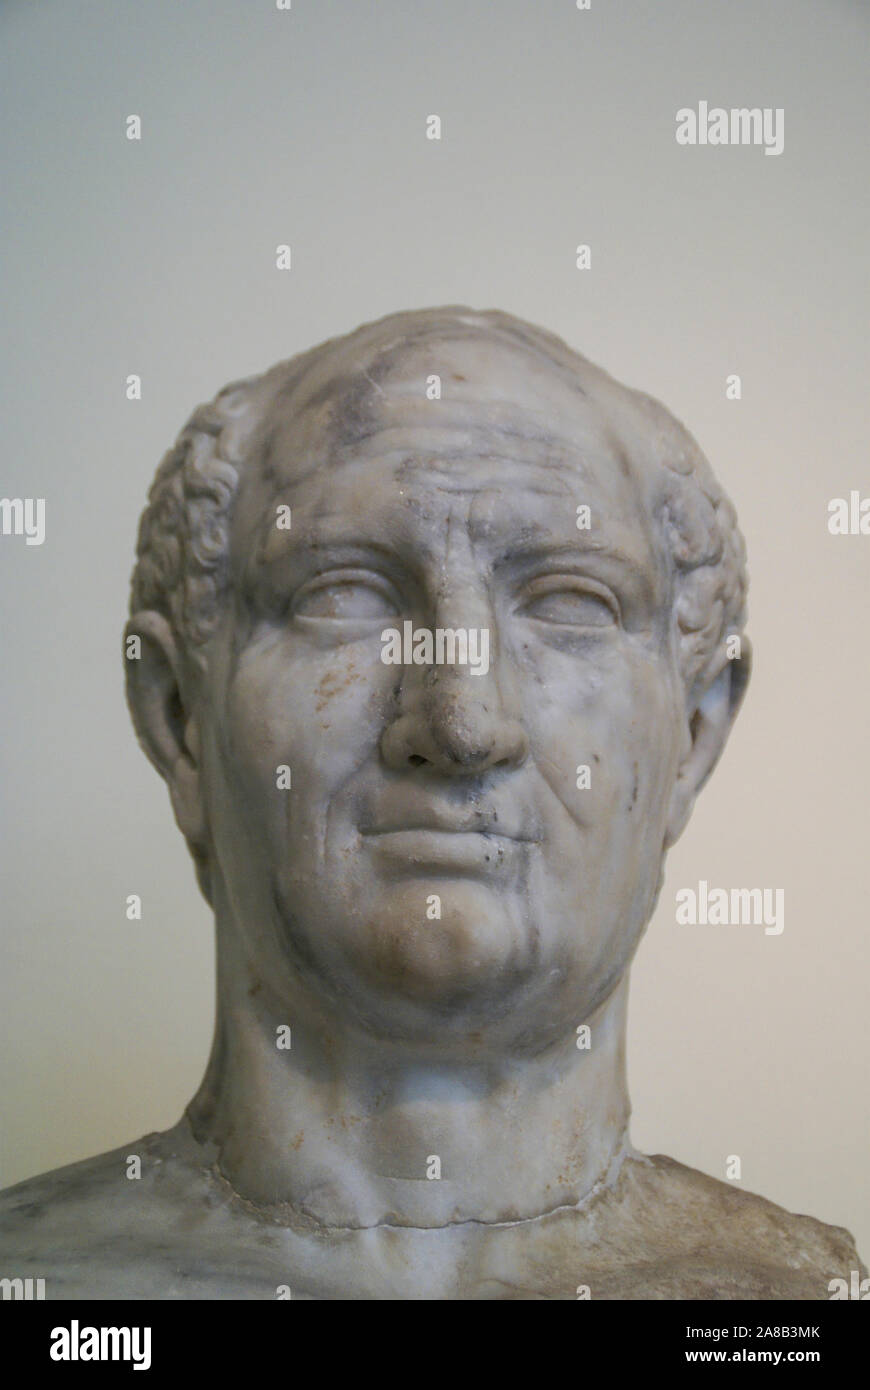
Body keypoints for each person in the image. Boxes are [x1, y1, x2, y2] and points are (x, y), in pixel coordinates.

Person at [0, 307, 862, 1299]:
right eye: (342, 592)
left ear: (695, 739)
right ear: (181, 717)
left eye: (571, 602)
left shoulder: (785, 1304)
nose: (461, 721)